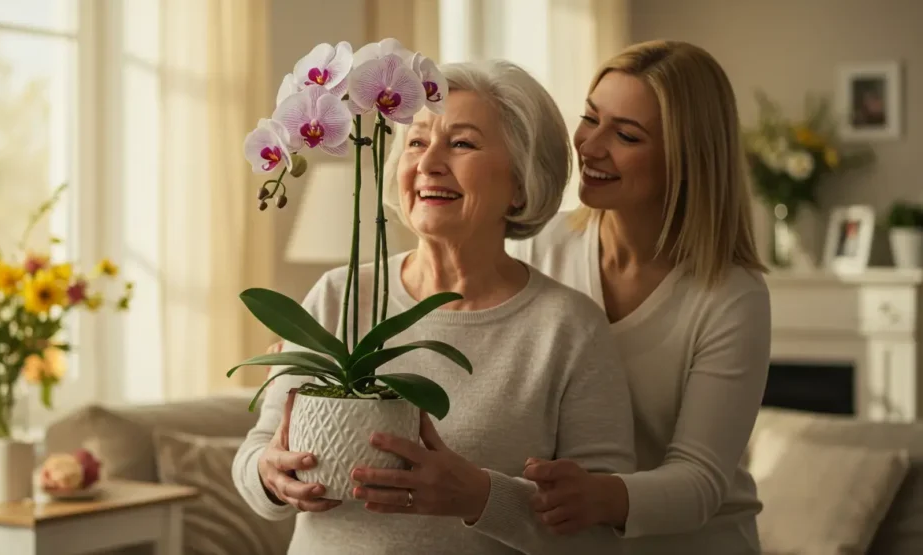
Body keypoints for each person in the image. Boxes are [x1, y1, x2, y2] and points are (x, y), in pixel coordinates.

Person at [231, 59, 637, 555]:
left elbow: (599, 536)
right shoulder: (339, 294)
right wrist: (271, 477)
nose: (428, 163)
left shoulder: (568, 328)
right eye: (417, 142)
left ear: (522, 182)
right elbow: (257, 453)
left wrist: (481, 498)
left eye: (462, 144)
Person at [510, 40, 771, 554]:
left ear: (687, 159)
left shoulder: (732, 297)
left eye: (626, 135)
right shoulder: (540, 246)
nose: (590, 146)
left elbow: (699, 480)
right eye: (590, 118)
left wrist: (598, 495)